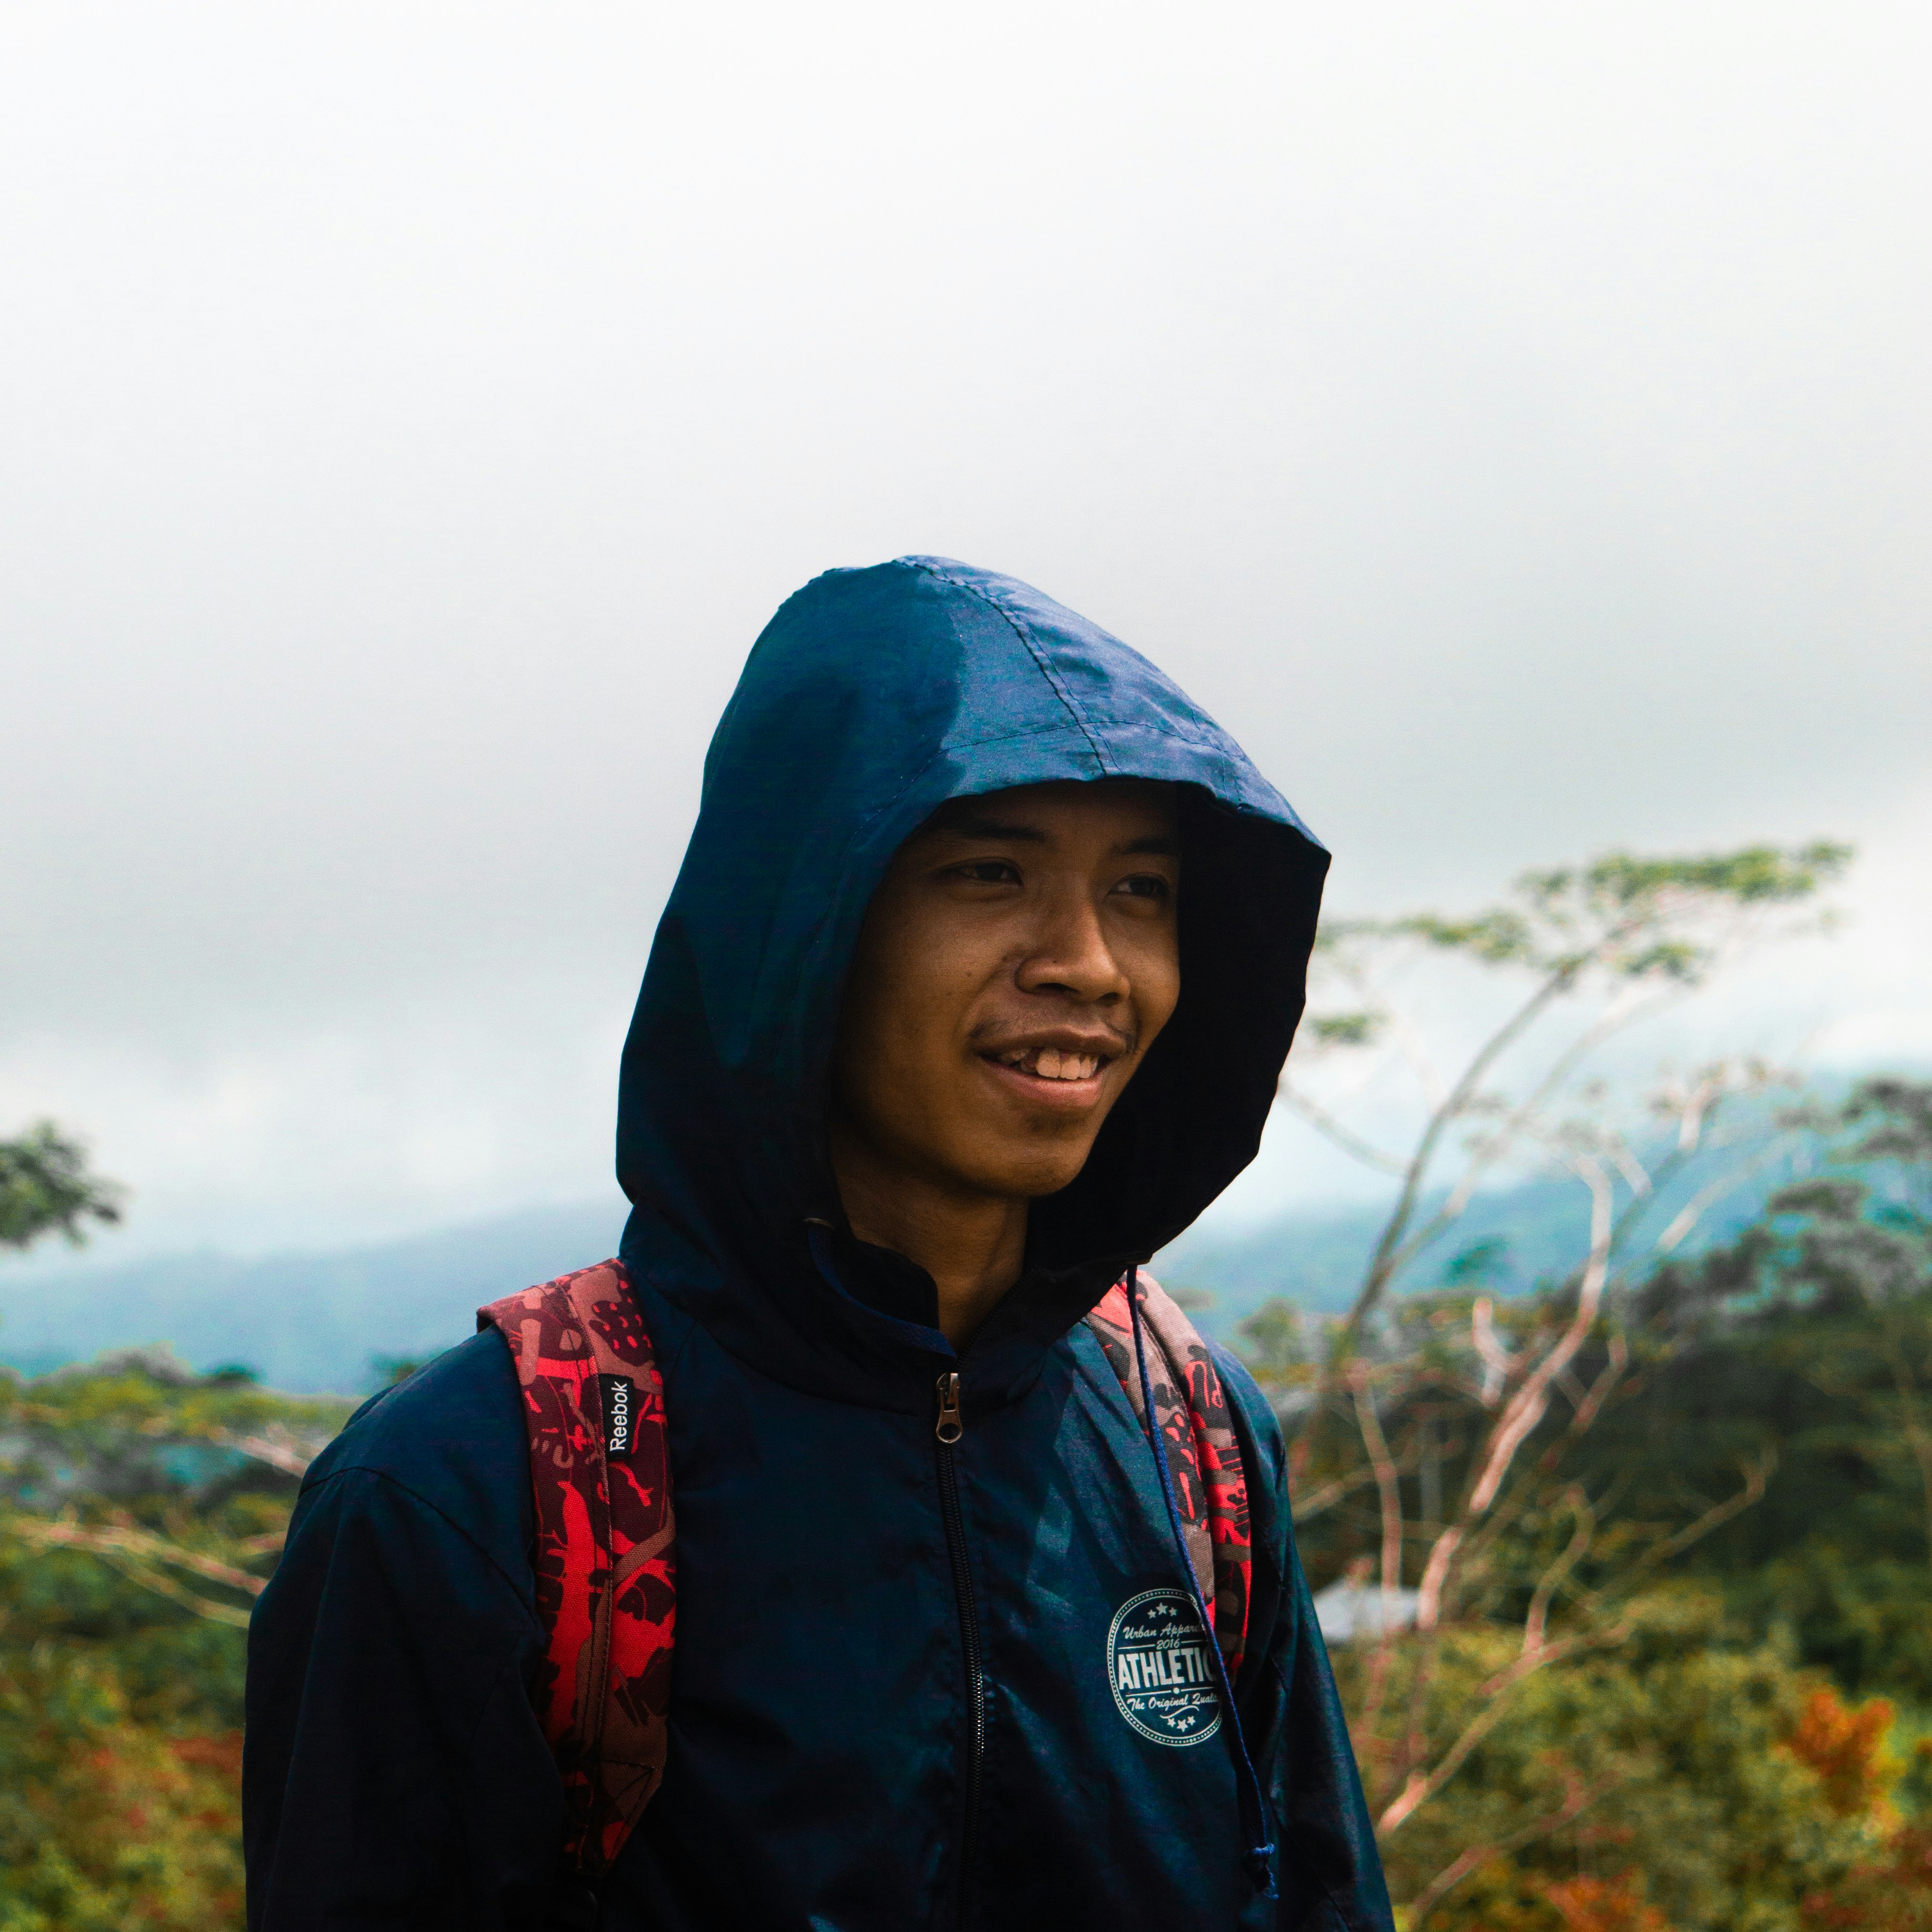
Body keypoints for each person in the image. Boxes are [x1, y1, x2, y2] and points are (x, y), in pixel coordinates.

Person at [243, 556, 1394, 1931]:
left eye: (1140, 890)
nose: (1088, 961)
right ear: (806, 917)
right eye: (989, 870)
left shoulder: (1189, 1440)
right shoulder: (478, 1488)